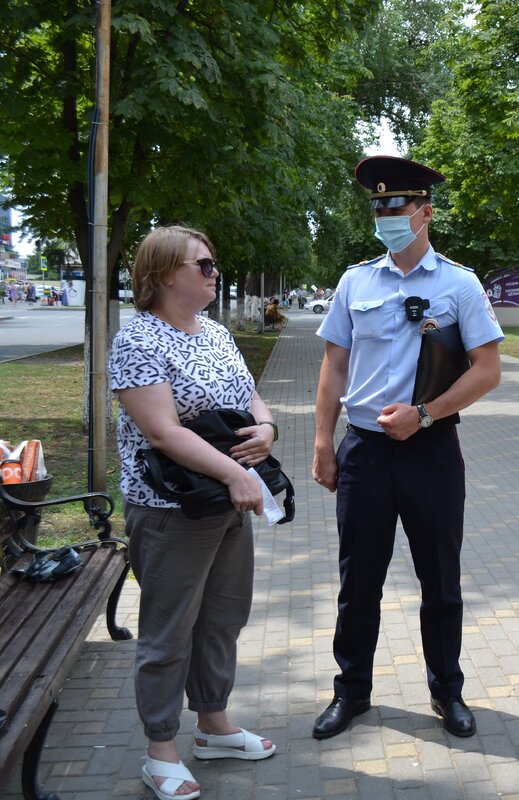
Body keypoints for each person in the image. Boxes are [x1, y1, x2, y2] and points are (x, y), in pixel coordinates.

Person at [311, 156, 503, 741]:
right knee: (357, 582)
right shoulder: (355, 282)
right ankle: (352, 692)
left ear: (424, 213)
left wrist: (425, 415)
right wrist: (323, 441)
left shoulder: (459, 284)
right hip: (364, 452)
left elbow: (488, 369)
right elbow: (334, 364)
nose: (385, 217)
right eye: (378, 208)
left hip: (432, 452)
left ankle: (448, 691)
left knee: (441, 581)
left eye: (395, 208)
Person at [109, 225, 279, 800]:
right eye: (202, 265)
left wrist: (268, 426)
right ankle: (160, 750)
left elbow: (248, 393)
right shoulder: (138, 339)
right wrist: (236, 473)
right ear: (162, 275)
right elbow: (161, 431)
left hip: (226, 502)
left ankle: (213, 724)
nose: (213, 273)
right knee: (168, 632)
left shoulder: (214, 331)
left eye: (214, 264)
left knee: (223, 618)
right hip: (171, 508)